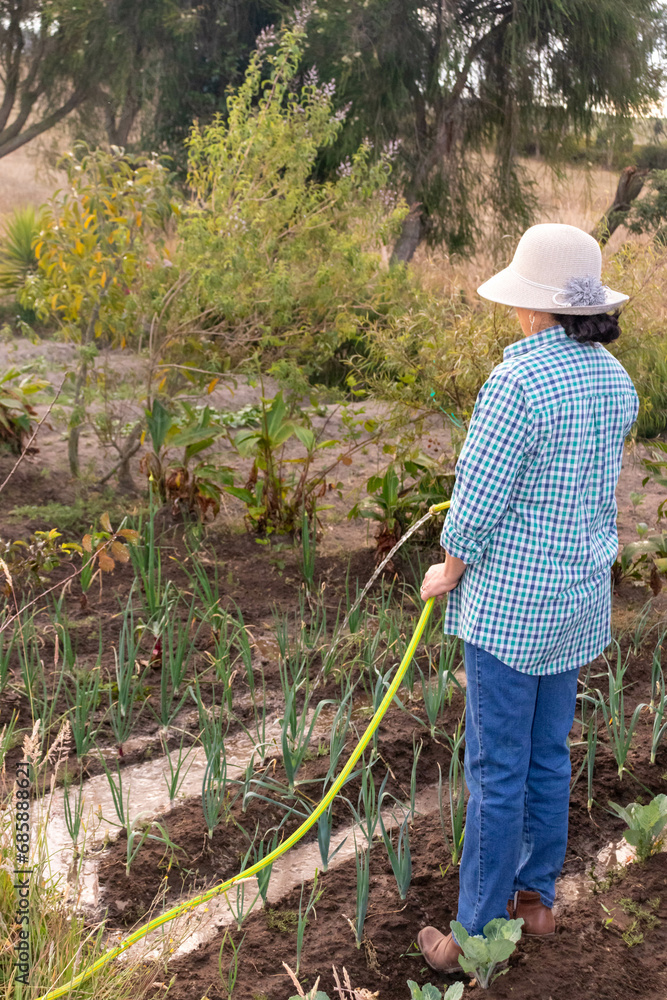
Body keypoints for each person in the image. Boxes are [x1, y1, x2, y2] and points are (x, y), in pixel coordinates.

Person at [417, 223, 639, 972]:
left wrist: (447, 569)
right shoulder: (615, 380)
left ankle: (471, 934)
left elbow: (475, 501)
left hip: (512, 609)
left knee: (495, 769)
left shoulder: (516, 383)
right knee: (547, 754)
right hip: (576, 600)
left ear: (537, 307)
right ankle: (535, 903)